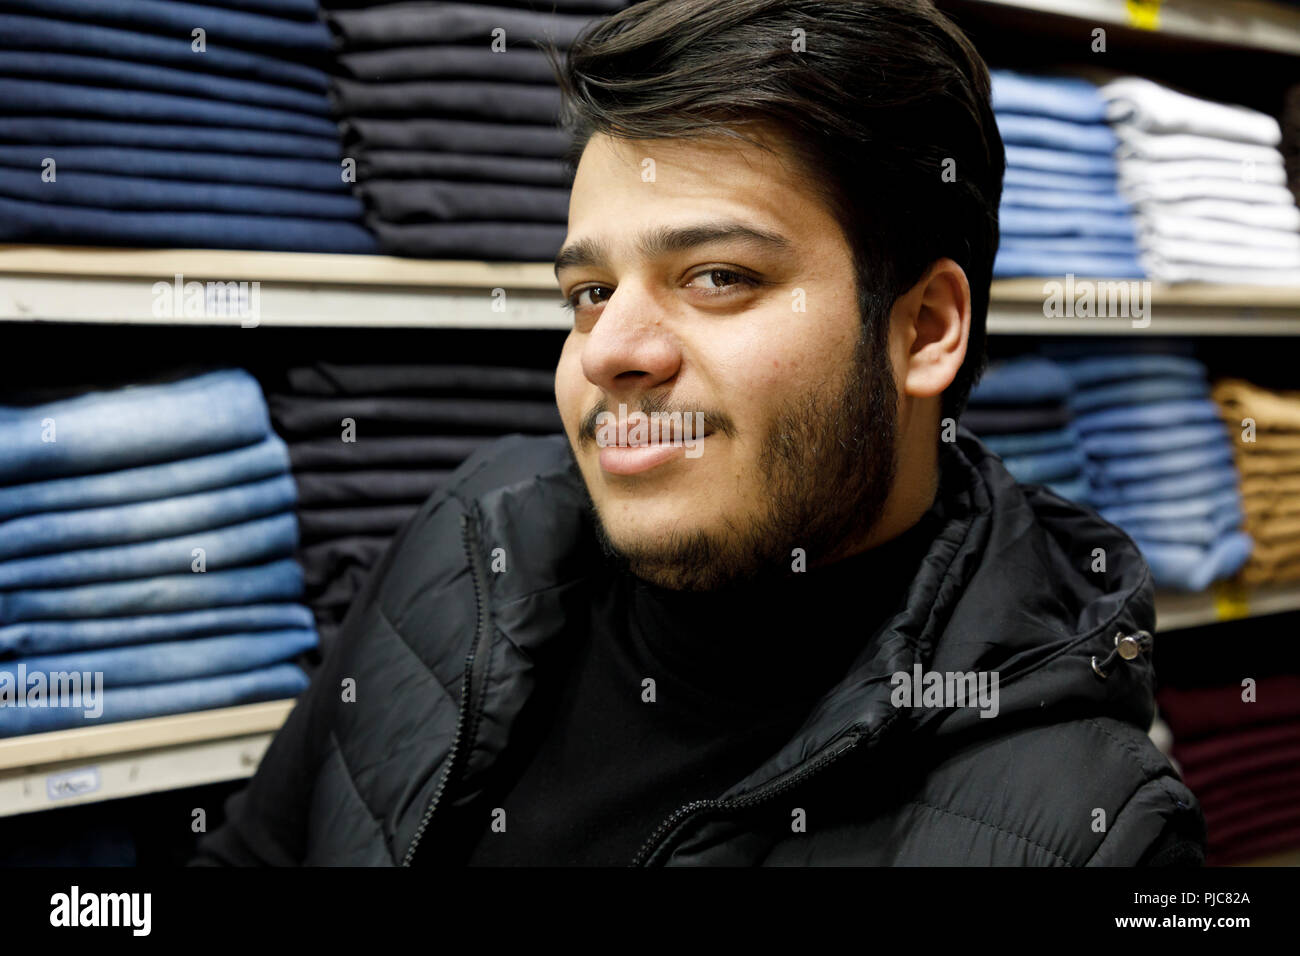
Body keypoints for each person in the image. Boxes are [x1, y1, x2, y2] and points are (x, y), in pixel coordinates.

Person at [193, 0, 1205, 866]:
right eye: (589, 292)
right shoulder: (468, 543)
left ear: (924, 329)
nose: (609, 349)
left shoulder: (1086, 824)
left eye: (719, 275)